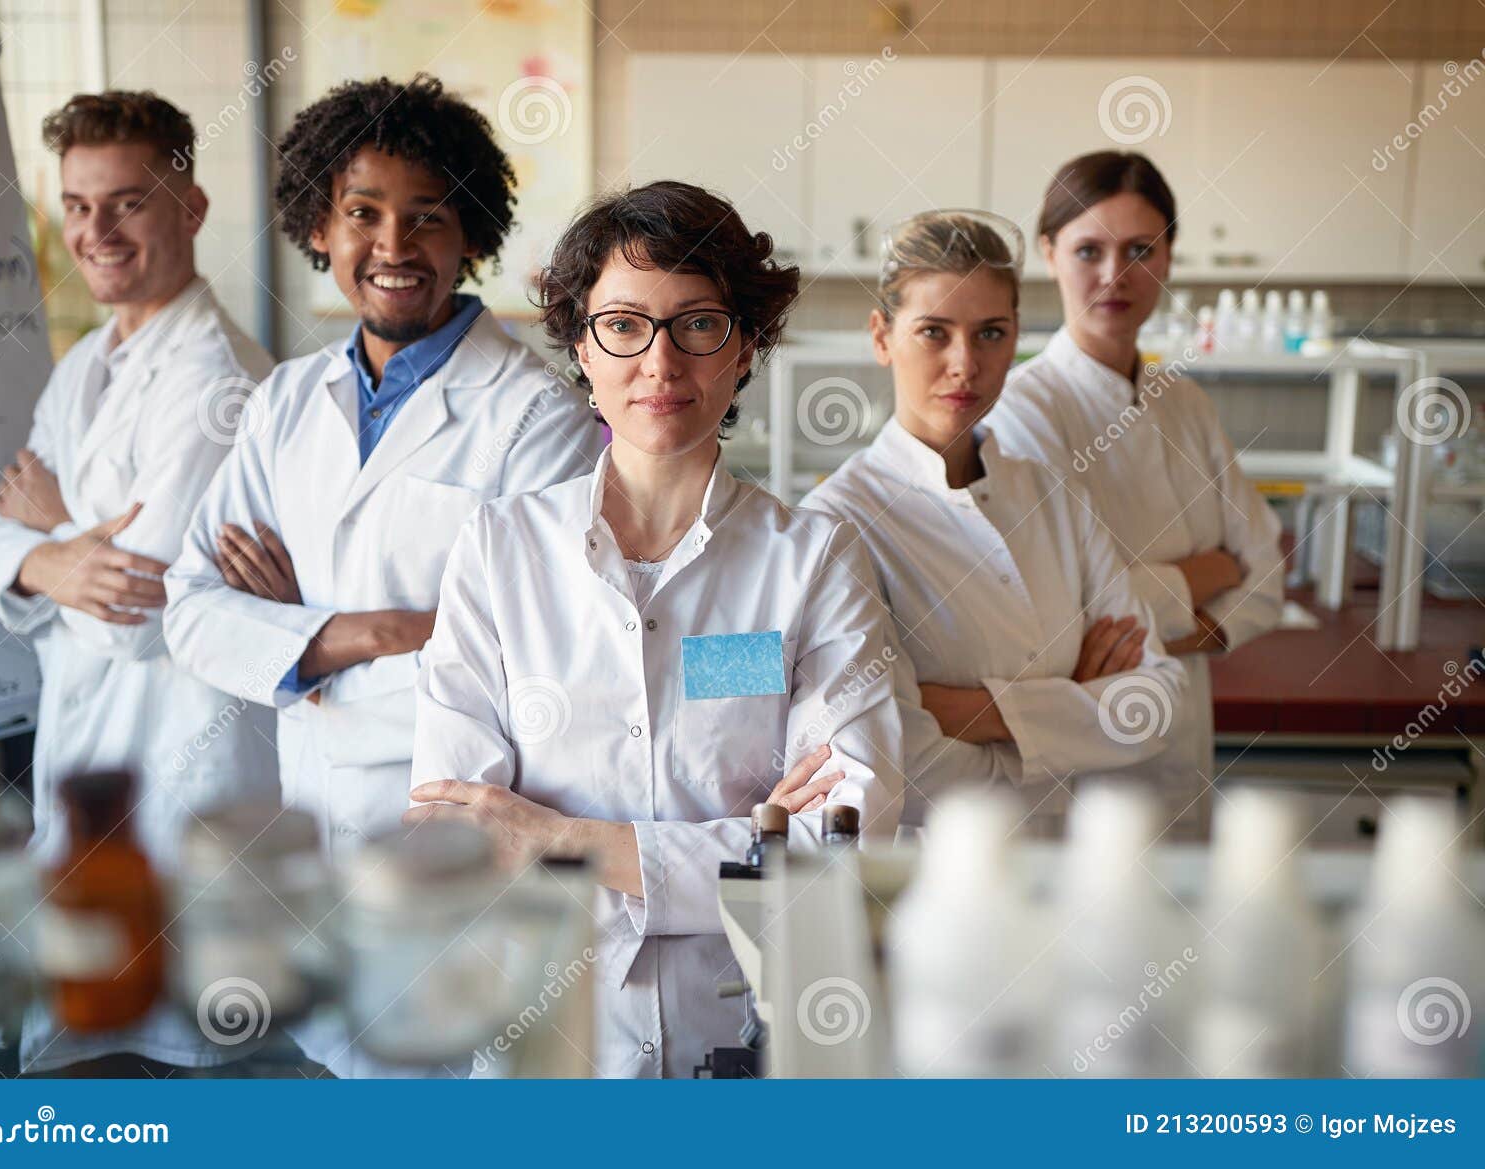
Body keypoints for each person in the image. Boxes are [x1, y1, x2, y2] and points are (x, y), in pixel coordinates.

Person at [402, 180, 905, 1078]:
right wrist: (742, 845)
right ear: (582, 349)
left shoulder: (815, 559)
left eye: (698, 324)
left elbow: (843, 838)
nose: (661, 363)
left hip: (749, 1034)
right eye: (625, 325)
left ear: (745, 346)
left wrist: (563, 839)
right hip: (550, 1035)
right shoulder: (498, 549)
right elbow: (455, 832)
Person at [161, 76, 605, 1074]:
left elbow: (539, 652)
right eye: (362, 213)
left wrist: (289, 631)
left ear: (470, 234)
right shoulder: (284, 402)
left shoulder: (536, 421)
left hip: (455, 837)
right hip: (317, 828)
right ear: (319, 226)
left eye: (427, 217)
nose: (393, 246)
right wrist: (371, 631)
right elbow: (188, 609)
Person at [0, 91, 279, 1074]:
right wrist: (53, 549)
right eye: (78, 203)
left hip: (181, 767)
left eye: (126, 201)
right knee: (91, 1020)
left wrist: (41, 535)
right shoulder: (87, 364)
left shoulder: (219, 379)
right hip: (87, 759)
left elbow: (140, 610)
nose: (95, 230)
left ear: (189, 208)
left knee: (173, 1057)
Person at [802, 210, 1187, 832]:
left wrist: (968, 711)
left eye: (990, 333)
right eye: (933, 332)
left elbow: (1157, 702)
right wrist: (1074, 710)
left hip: (1064, 873)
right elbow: (900, 762)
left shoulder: (1054, 494)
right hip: (924, 879)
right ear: (881, 336)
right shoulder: (837, 523)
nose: (965, 364)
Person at [986, 152, 1283, 835]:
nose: (1114, 275)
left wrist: (1143, 629)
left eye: (1140, 249)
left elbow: (1262, 570)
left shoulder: (1186, 404)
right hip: (1080, 770)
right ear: (1049, 253)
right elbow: (1066, 616)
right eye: (1089, 249)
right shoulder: (1024, 409)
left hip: (1183, 748)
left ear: (1171, 257)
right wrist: (1203, 575)